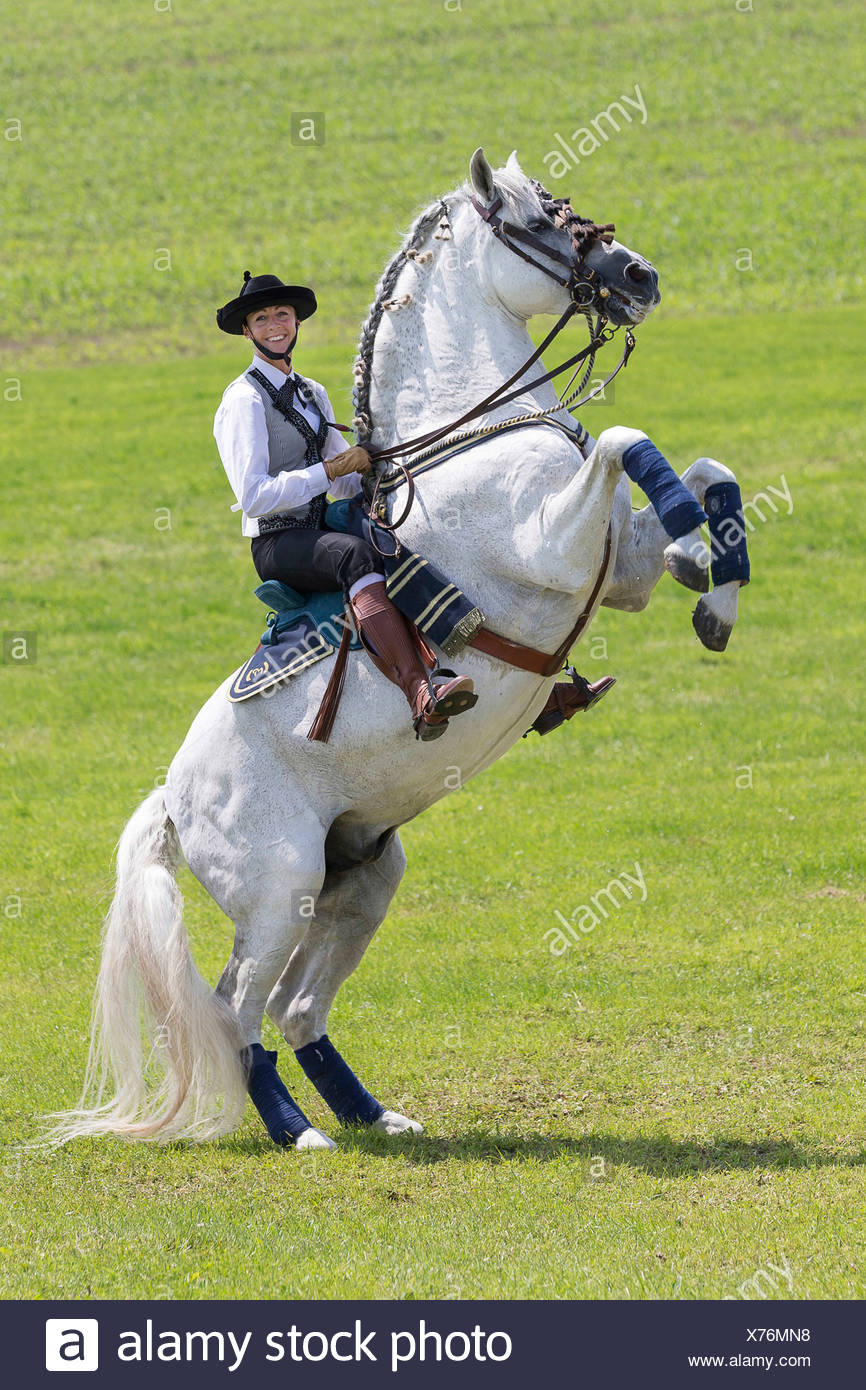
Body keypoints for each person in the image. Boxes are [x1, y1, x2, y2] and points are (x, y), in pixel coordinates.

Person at [214, 271, 476, 740]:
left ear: (295, 322)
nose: (275, 324)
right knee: (354, 555)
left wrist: (392, 468)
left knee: (400, 530)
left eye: (283, 315)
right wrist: (329, 473)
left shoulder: (311, 391)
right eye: (262, 318)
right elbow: (253, 496)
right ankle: (419, 691)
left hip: (321, 523)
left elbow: (347, 480)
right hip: (278, 541)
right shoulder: (243, 400)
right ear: (247, 331)